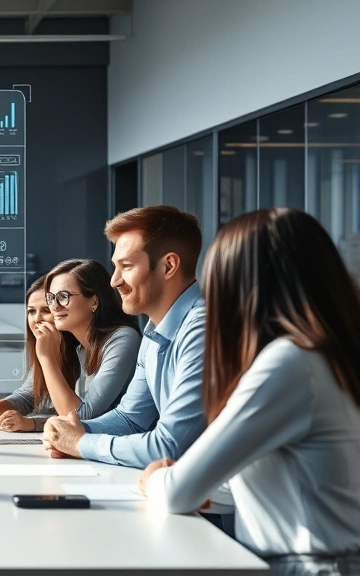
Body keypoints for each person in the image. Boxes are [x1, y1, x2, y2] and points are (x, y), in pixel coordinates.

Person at [140, 208, 360, 572]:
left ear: (238, 289)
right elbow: (282, 478)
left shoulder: (289, 363)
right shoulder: (330, 356)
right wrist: (200, 485)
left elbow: (177, 493)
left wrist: (155, 480)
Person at [42, 205, 207, 469]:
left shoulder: (202, 332)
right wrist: (72, 429)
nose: (114, 281)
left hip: (210, 505)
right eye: (115, 267)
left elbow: (170, 447)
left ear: (168, 266)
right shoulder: (154, 332)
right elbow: (131, 418)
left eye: (127, 266)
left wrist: (80, 442)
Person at [0, 259, 139, 430]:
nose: (54, 307)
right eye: (51, 299)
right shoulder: (76, 345)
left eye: (63, 297)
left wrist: (46, 358)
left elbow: (82, 417)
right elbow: (28, 396)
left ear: (94, 301)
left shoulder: (122, 339)